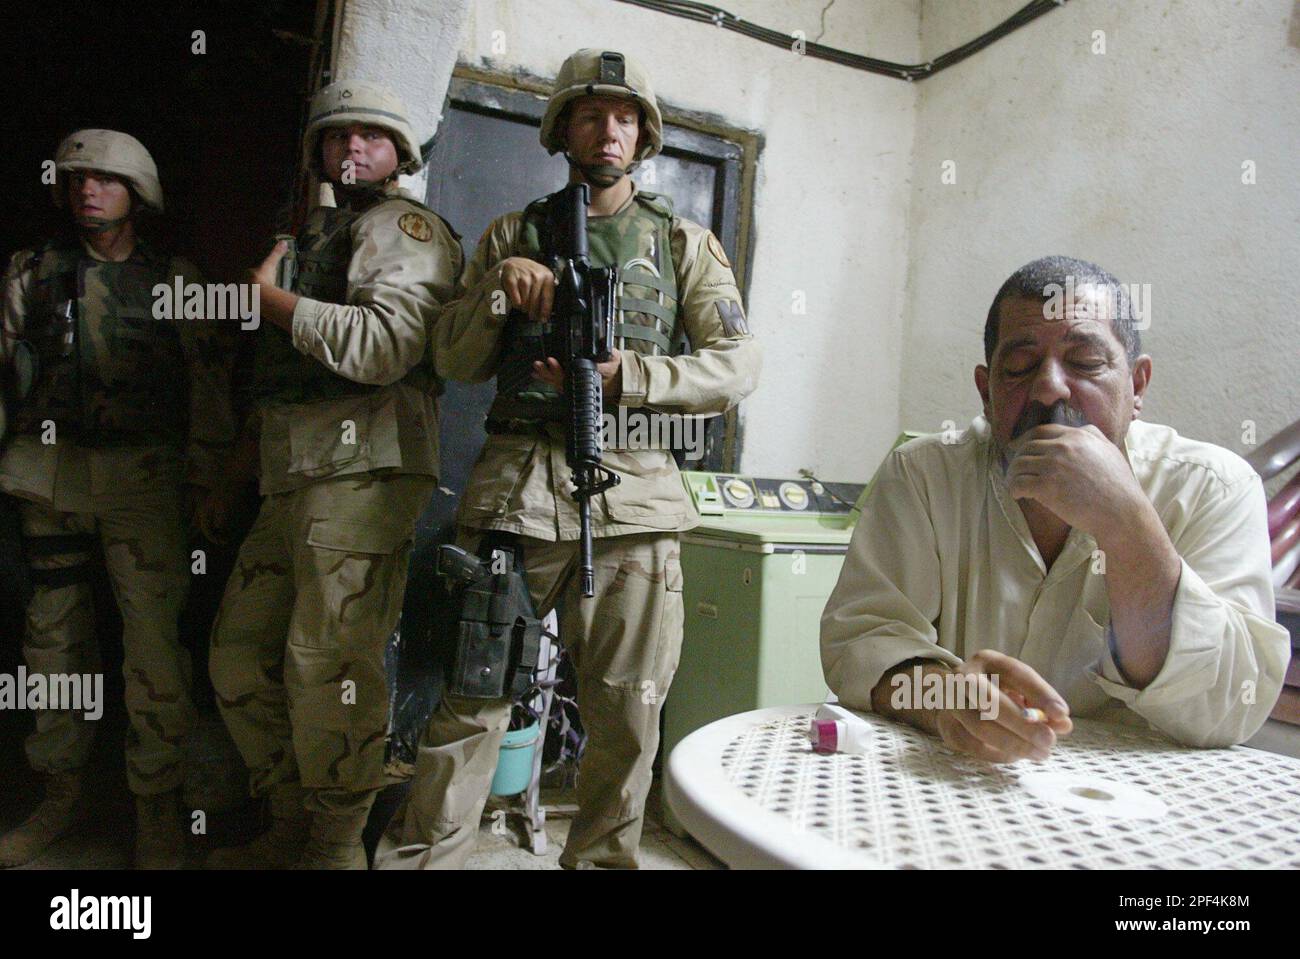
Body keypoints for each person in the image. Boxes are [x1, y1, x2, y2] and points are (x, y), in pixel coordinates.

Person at [376, 48, 762, 870]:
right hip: (517, 496)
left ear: (644, 134)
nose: (609, 130)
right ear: (562, 129)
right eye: (591, 114)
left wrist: (635, 377)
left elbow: (738, 366)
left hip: (635, 501)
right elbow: (450, 358)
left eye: (625, 116)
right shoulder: (512, 233)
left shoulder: (682, 242)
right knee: (474, 698)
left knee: (628, 715)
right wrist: (496, 290)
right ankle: (423, 859)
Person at [821, 255, 1290, 759]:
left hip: (1142, 798)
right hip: (957, 777)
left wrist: (1125, 524)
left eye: (1086, 363)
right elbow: (864, 639)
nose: (1049, 387)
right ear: (986, 392)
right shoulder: (924, 475)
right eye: (1020, 367)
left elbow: (1230, 707)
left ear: (1138, 386)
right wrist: (945, 696)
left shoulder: (1213, 487)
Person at [205, 80, 462, 869]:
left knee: (331, 665)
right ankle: (289, 820)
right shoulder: (315, 233)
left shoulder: (402, 226)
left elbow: (386, 346)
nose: (352, 148)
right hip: (296, 470)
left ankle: (333, 846)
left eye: (371, 136)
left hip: (363, 469)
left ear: (399, 155)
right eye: (337, 136)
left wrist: (269, 302)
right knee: (240, 655)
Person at [0, 129, 236, 868]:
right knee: (51, 641)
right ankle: (60, 792)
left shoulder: (178, 278)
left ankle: (156, 803)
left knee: (153, 647)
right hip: (48, 477)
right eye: (75, 181)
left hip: (145, 484)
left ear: (139, 192)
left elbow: (208, 387)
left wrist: (209, 479)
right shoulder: (32, 272)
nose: (87, 192)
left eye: (104, 180)